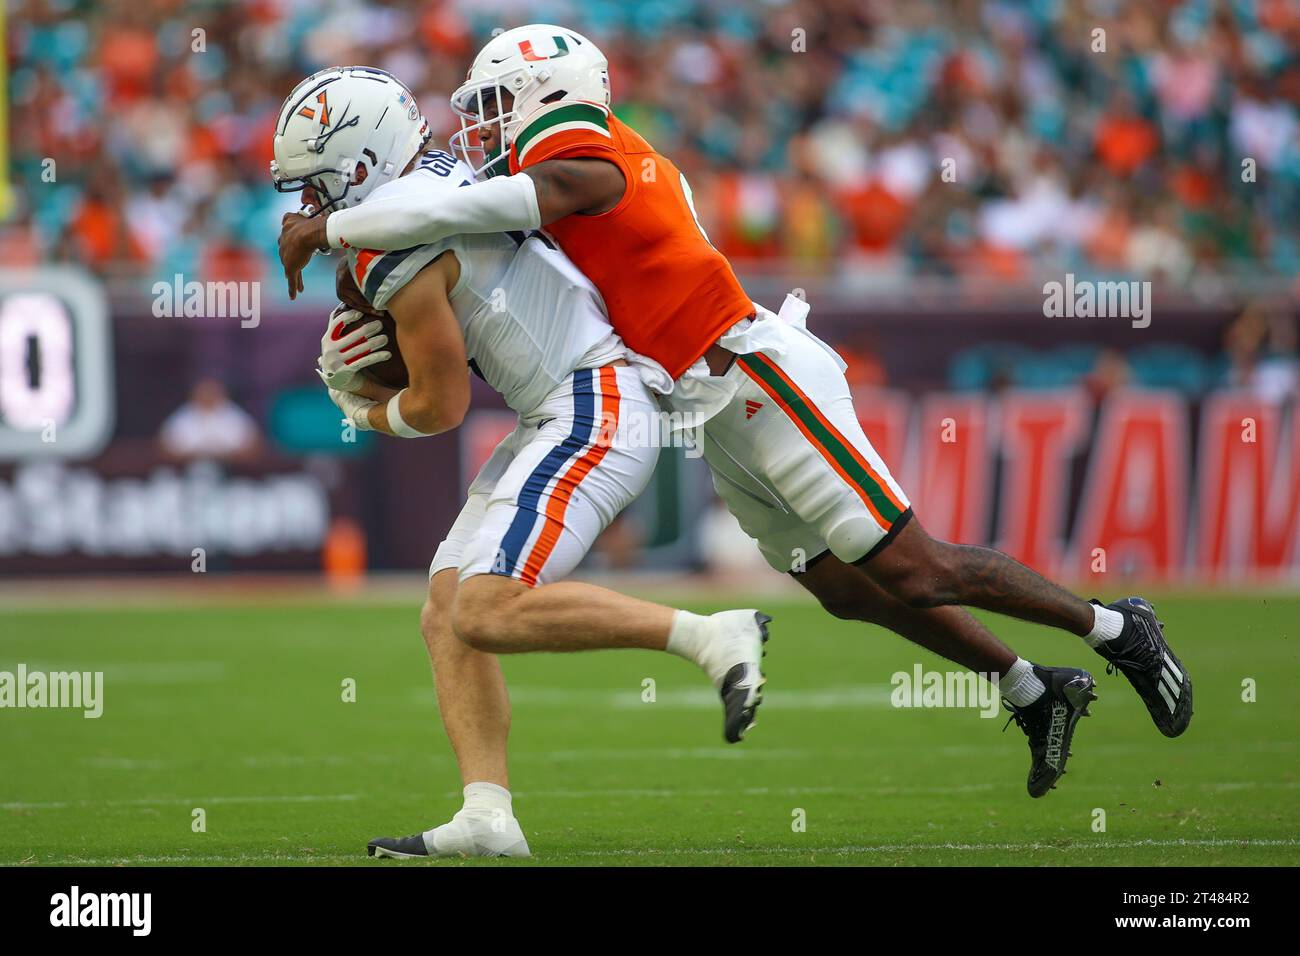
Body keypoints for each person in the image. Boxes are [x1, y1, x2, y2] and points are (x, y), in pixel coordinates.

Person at [278, 28, 1193, 799]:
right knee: (842, 591)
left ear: (545, 94)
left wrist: (335, 228)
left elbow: (500, 204)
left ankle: (1114, 627)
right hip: (704, 403)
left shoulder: (587, 155)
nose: (481, 123)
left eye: (496, 102)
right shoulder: (547, 161)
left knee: (915, 567)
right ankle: (1034, 690)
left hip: (755, 373)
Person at [271, 67, 771, 857]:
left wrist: (357, 405)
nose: (304, 206)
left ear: (359, 164)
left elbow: (440, 407)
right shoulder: (434, 182)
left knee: (487, 606)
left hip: (595, 404)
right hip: (566, 404)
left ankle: (713, 635)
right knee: (447, 610)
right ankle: (486, 814)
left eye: (312, 186)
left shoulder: (388, 246)